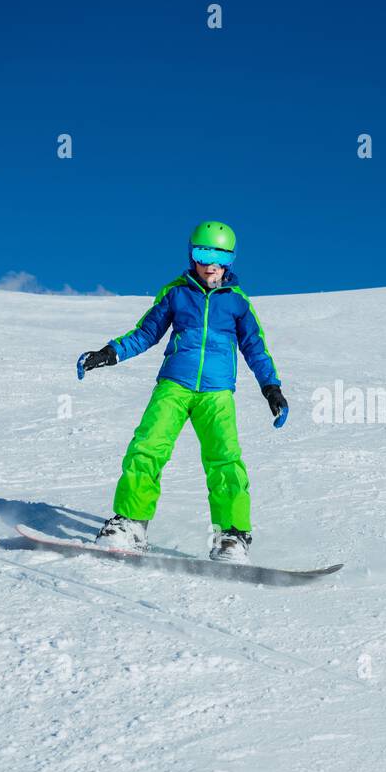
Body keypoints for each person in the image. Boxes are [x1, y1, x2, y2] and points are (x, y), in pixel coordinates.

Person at [76, 221, 287, 564]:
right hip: (174, 385)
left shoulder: (237, 303)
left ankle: (231, 536)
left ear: (230, 260)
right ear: (192, 254)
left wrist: (271, 388)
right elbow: (146, 333)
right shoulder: (176, 292)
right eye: (203, 253)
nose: (211, 263)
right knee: (147, 448)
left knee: (224, 461)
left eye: (220, 255)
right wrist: (109, 353)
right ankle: (130, 523)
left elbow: (255, 348)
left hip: (217, 394)